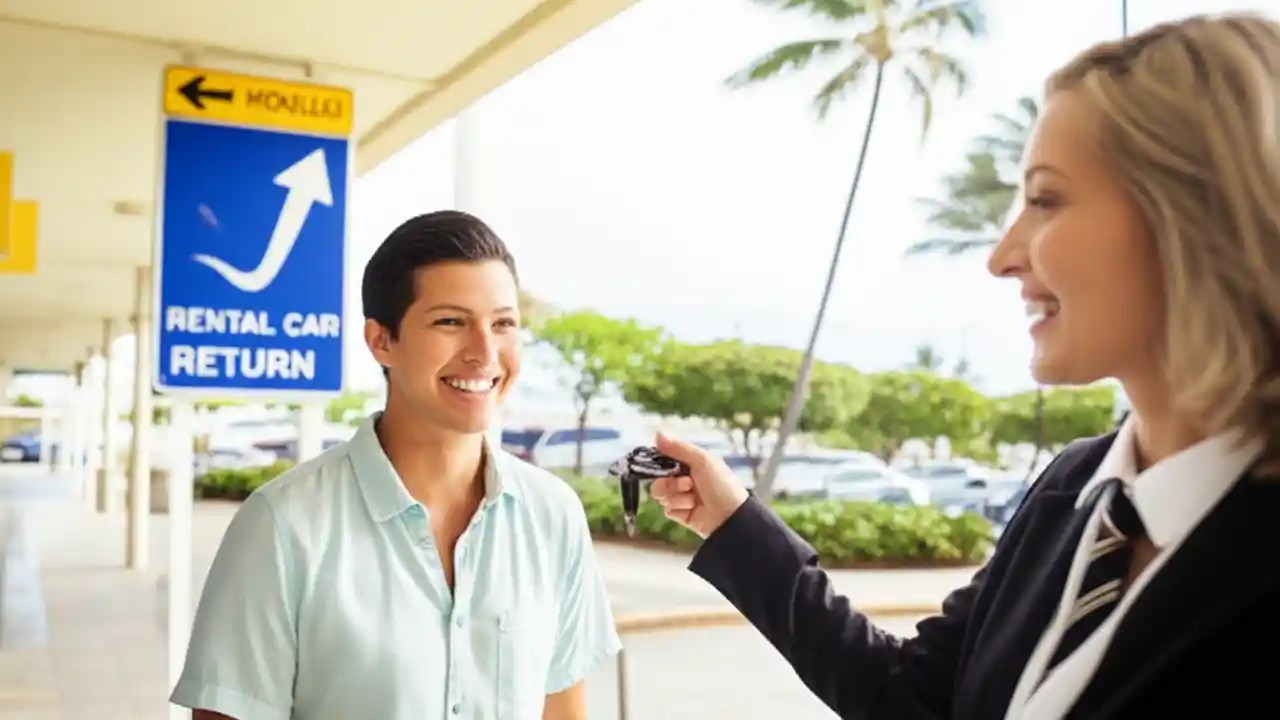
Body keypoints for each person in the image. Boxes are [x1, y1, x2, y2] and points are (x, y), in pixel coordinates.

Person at [649, 13, 1280, 719]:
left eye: (1045, 199)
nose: (1002, 255)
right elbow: (911, 699)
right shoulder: (1072, 492)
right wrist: (734, 524)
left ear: (1193, 212)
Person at [170, 210, 621, 720]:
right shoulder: (283, 525)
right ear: (381, 340)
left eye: (503, 324)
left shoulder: (553, 514)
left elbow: (561, 709)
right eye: (450, 322)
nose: (485, 352)